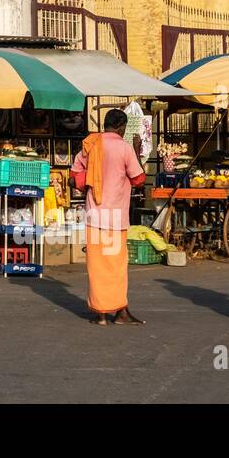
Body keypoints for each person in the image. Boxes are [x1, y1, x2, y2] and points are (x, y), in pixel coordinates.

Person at [70, 108, 146, 326]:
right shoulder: (124, 147)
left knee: (97, 266)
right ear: (122, 127)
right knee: (117, 266)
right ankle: (121, 312)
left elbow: (75, 175)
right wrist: (138, 152)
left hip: (94, 216)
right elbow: (139, 179)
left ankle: (101, 314)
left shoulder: (90, 144)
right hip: (116, 218)